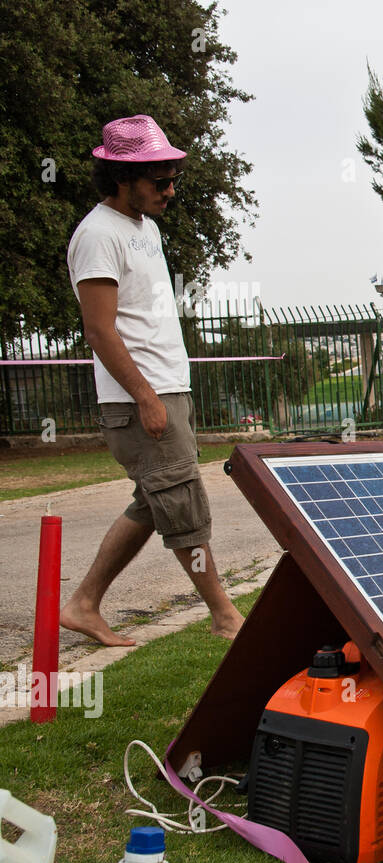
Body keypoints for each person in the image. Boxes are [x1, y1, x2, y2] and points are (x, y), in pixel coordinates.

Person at [60, 115, 243, 647]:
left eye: (171, 178)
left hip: (167, 389)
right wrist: (145, 396)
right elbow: (99, 329)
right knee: (183, 504)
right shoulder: (97, 235)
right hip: (139, 398)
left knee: (154, 500)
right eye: (158, 180)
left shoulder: (145, 228)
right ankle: (225, 614)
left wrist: (171, 391)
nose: (169, 189)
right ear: (122, 176)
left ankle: (83, 603)